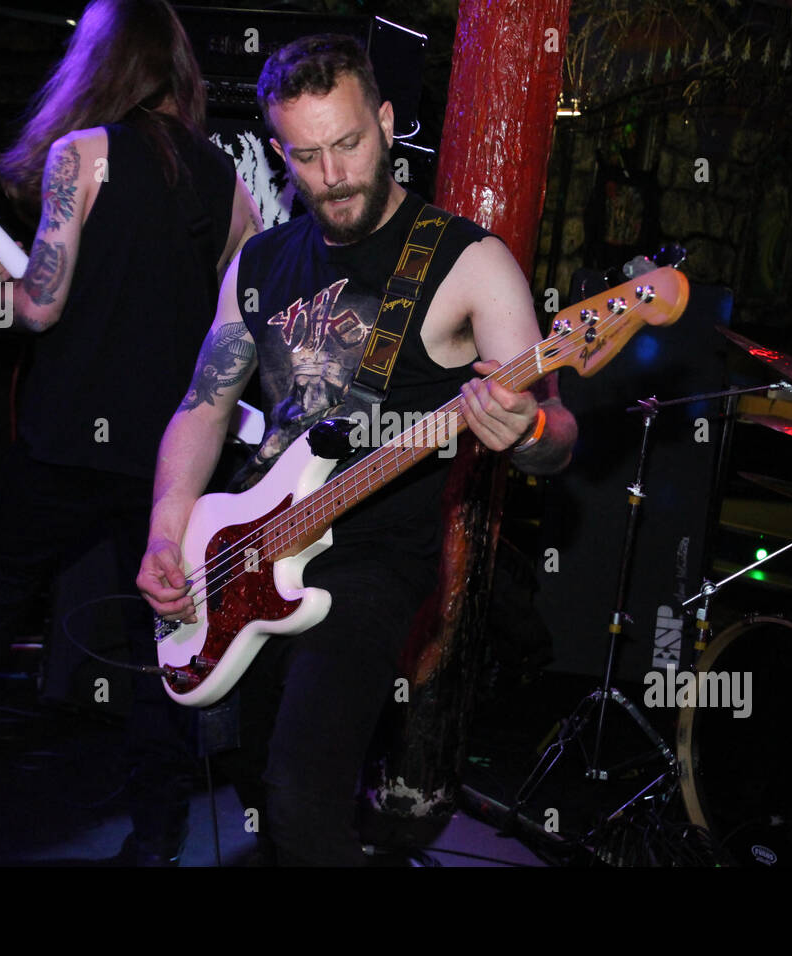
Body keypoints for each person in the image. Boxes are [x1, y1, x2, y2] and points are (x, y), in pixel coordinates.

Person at [137, 34, 578, 866]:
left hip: (374, 561)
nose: (334, 174)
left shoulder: (469, 263)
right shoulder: (259, 262)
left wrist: (525, 430)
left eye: (349, 143)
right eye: (307, 156)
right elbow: (201, 406)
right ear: (279, 154)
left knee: (302, 801)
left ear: (385, 122)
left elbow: (556, 432)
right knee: (250, 775)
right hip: (251, 543)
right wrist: (167, 529)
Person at [0, 0, 262, 869]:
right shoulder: (224, 177)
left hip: (68, 435)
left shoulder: (83, 153)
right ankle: (158, 832)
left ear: (98, 64)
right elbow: (244, 306)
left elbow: (40, 307)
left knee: (0, 591)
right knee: (162, 635)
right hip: (170, 452)